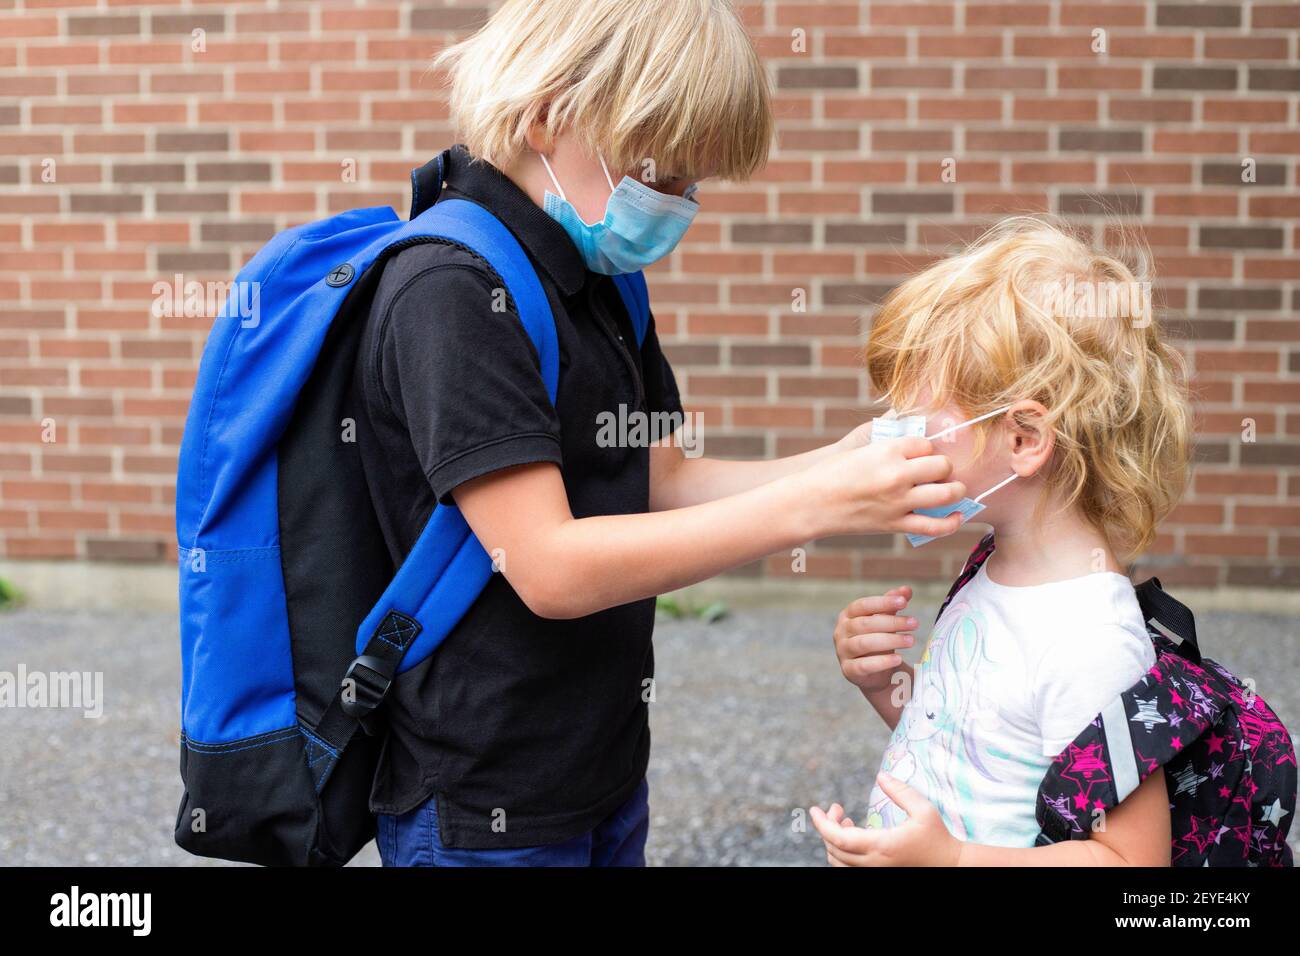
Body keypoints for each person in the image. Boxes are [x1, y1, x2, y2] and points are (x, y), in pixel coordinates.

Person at [353, 0, 966, 866]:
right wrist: (815, 505)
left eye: (693, 181)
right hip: (482, 796)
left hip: (599, 765)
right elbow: (549, 567)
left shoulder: (600, 276)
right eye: (659, 171)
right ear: (550, 113)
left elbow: (663, 482)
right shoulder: (451, 292)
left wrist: (843, 460)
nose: (677, 204)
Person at [813, 218, 1192, 866]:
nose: (897, 438)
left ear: (1023, 440)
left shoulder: (1092, 643)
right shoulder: (991, 568)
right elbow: (979, 754)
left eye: (919, 421)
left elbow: (1131, 862)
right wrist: (889, 686)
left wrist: (952, 859)